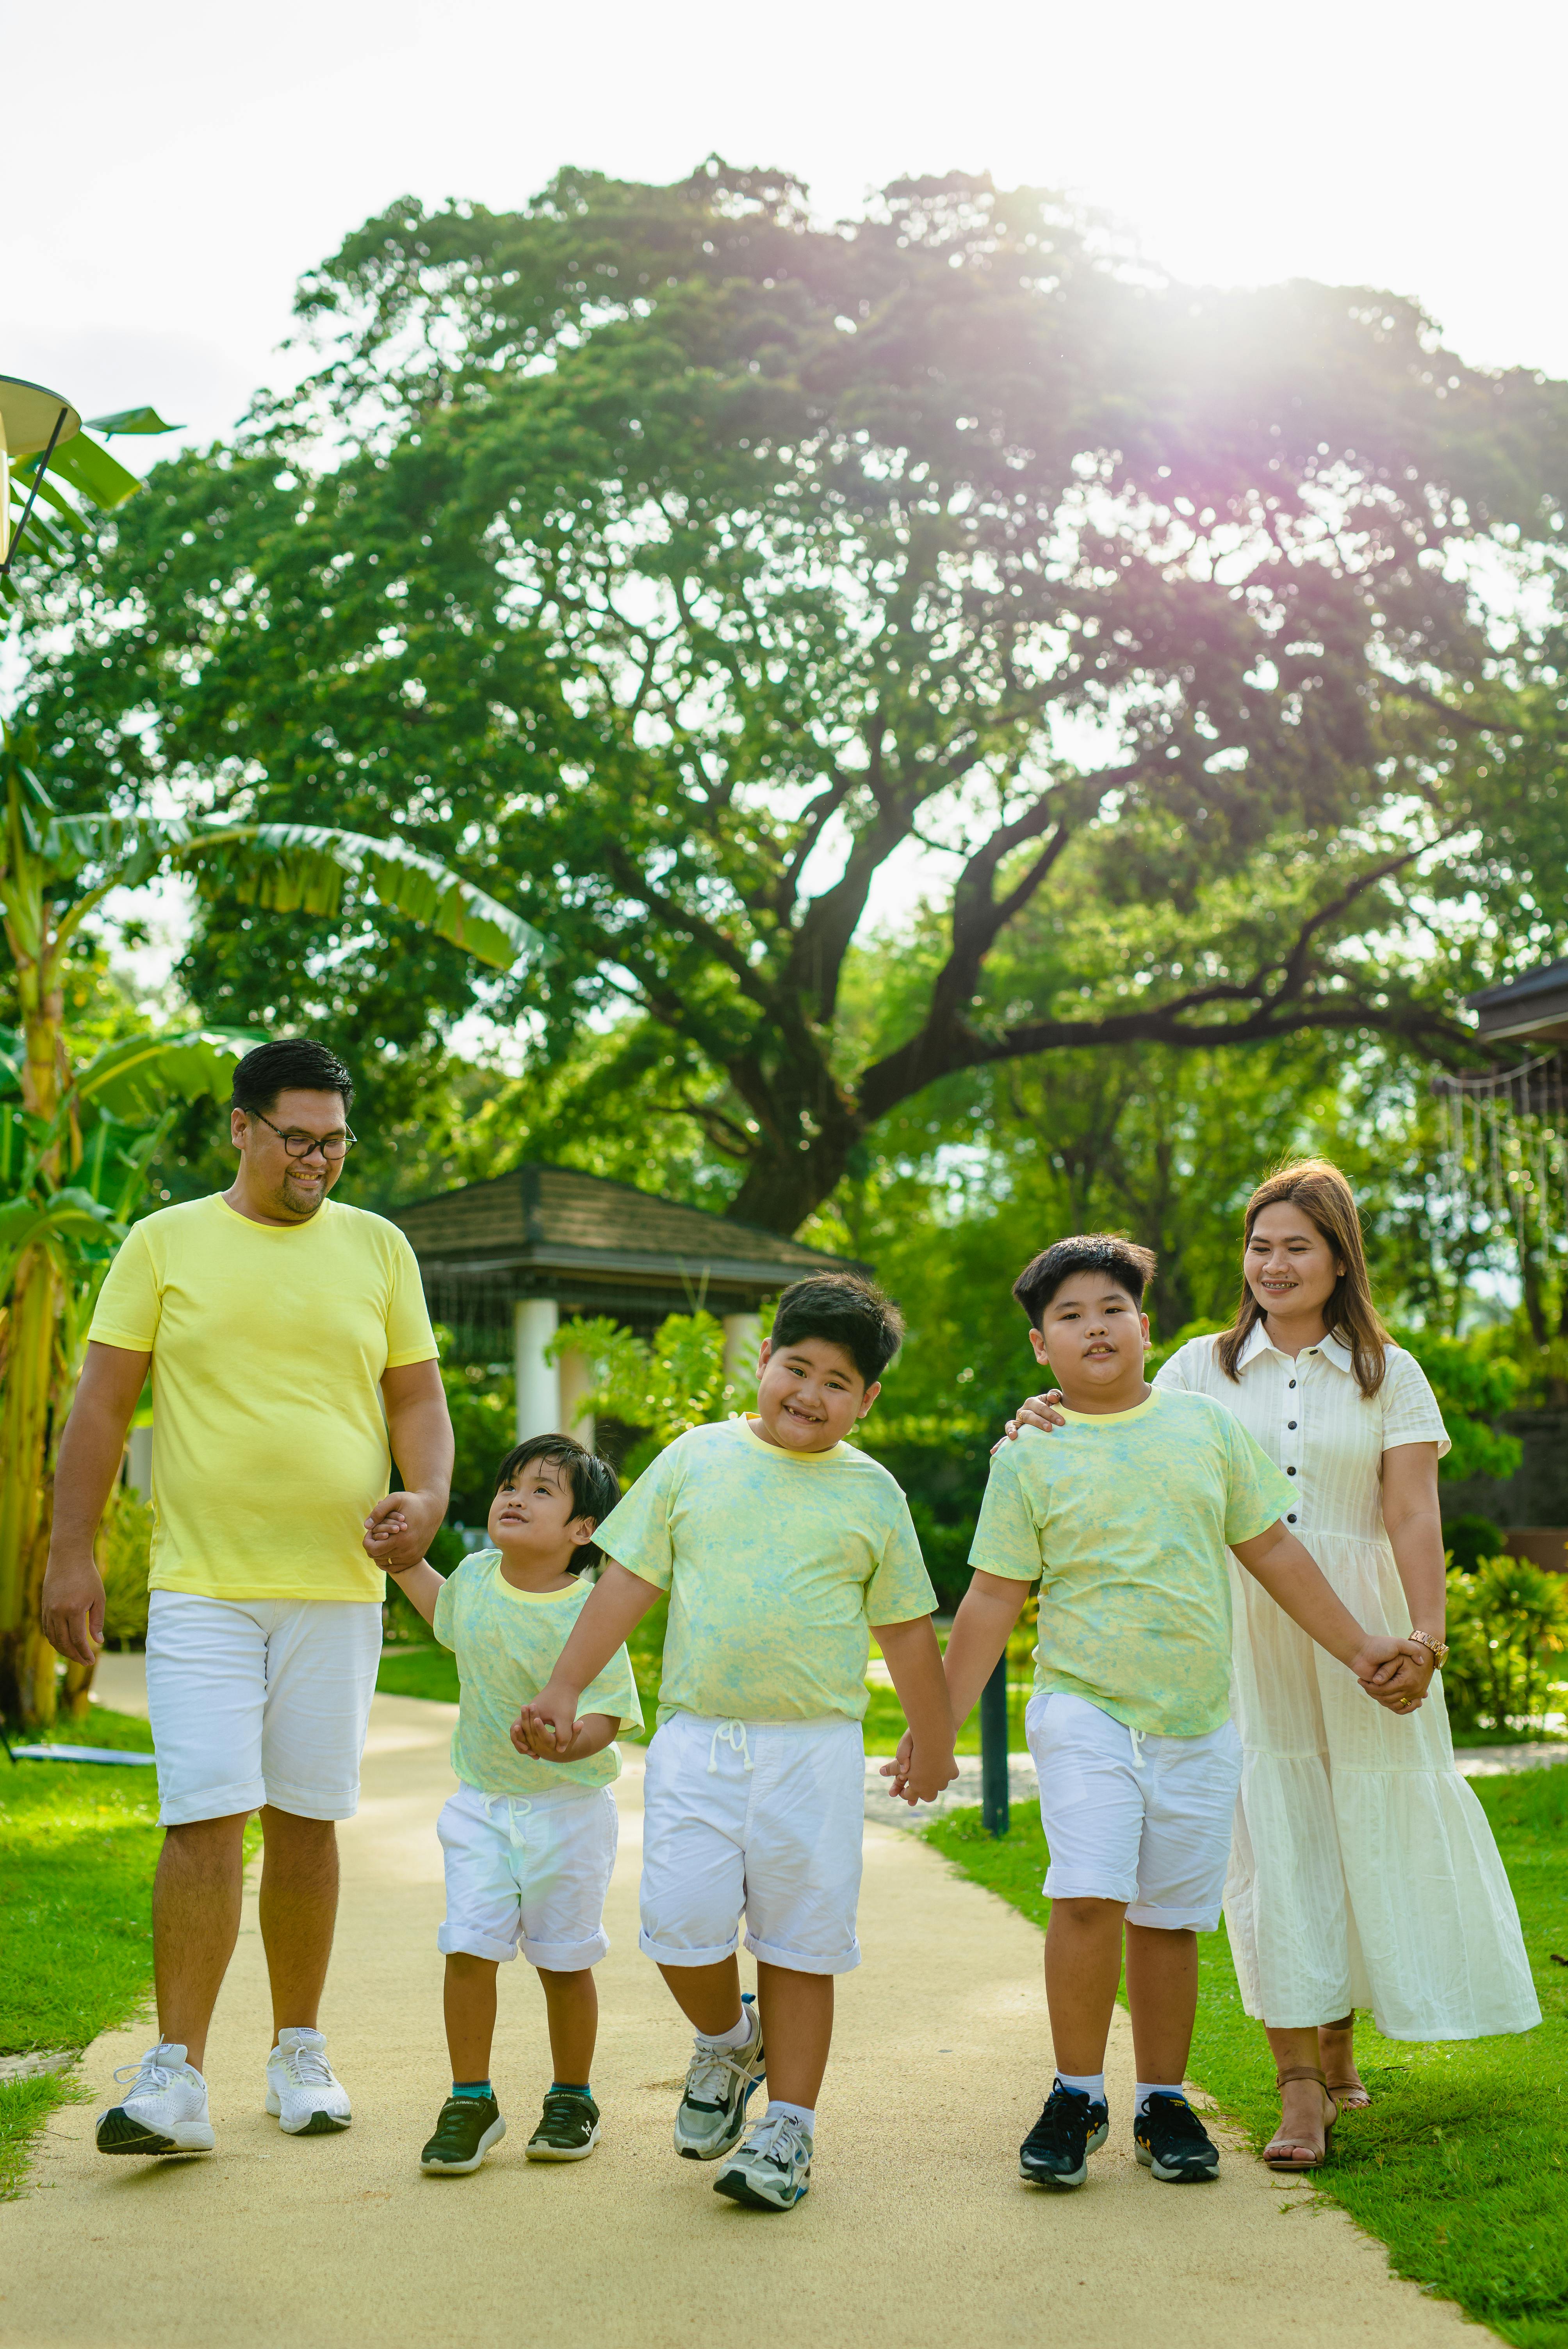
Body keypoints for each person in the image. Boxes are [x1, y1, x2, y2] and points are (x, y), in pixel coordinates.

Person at [1007, 1162, 1539, 2168]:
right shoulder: (1200, 1370)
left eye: (1297, 1245)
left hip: (1365, 1625)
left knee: (1358, 1826)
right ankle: (1299, 2080)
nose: (1274, 1263)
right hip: (1234, 1626)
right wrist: (1042, 1408)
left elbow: (1412, 1510)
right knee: (1273, 1836)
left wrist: (1425, 1638)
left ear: (1340, 1258)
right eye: (1260, 1245)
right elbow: (1117, 1423)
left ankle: (1338, 2049)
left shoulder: (1392, 1369)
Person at [919, 1234, 1426, 2192]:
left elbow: (1273, 1554)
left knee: (1167, 1915)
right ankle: (1075, 2093)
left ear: (1144, 1327)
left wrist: (1362, 1644)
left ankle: (1162, 2098)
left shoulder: (1204, 1426)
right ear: (1040, 1347)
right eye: (1067, 1315)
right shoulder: (1030, 1450)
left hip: (1198, 1715)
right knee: (1086, 1892)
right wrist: (939, 1722)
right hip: (1084, 1707)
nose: (1093, 1327)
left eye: (1110, 1308)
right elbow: (991, 1597)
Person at [41, 1036, 453, 2160]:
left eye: (335, 1140)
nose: (319, 1160)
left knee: (309, 1820)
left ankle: (300, 2051)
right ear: (241, 1127)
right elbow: (99, 1408)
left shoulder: (379, 1248)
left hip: (334, 1588)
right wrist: (70, 1549)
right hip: (202, 1589)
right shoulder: (165, 1242)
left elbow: (416, 1398)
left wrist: (427, 1496)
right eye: (297, 1138)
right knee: (204, 1814)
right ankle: (175, 2077)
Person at [517, 1273, 957, 2213]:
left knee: (802, 1942)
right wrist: (563, 1683)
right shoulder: (694, 1459)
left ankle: (789, 2127)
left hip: (816, 1752)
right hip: (699, 1743)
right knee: (680, 1924)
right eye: (796, 1367)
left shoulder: (872, 1492)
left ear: (868, 1398)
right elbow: (625, 1584)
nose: (810, 1393)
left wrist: (935, 1735)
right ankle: (727, 2040)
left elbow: (909, 1630)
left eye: (838, 1381)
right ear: (762, 1360)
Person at [381, 1435, 642, 2175]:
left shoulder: (593, 1611)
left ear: (582, 1531)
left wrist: (567, 1743)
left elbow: (609, 1717)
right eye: (509, 1484)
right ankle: (471, 2099)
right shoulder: (475, 1576)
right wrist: (404, 1563)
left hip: (569, 1812)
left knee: (564, 1961)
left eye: (541, 1490)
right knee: (468, 1947)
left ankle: (571, 2097)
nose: (514, 1497)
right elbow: (445, 1615)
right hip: (482, 1806)